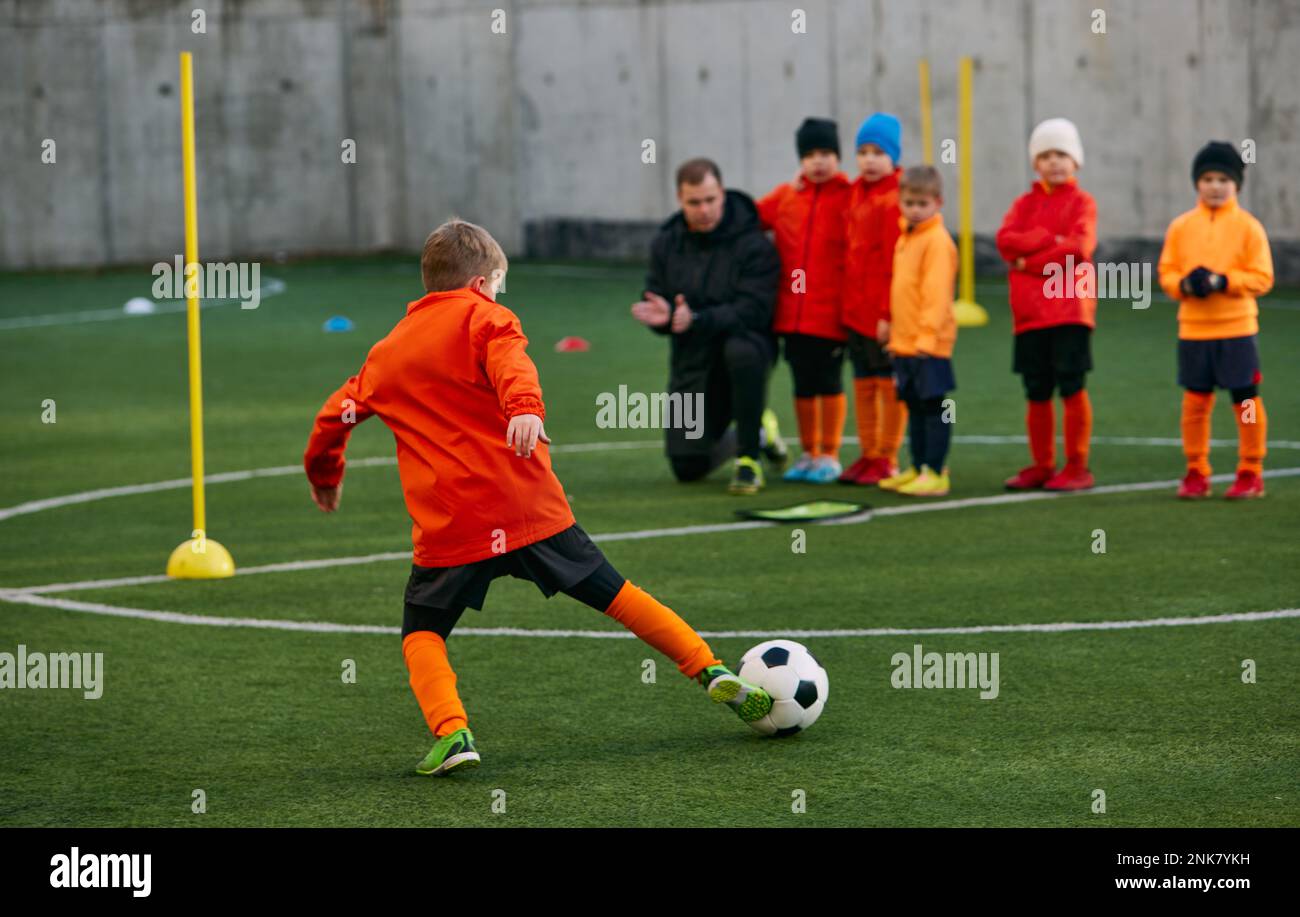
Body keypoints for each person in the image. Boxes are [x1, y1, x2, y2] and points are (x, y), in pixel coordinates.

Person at [304, 219, 774, 776]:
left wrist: (325, 473)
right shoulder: (487, 318)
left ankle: (452, 732)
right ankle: (709, 669)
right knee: (619, 596)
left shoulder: (386, 354)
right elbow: (512, 363)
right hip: (528, 509)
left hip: (452, 525)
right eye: (499, 285)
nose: (499, 296)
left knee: (423, 633)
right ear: (480, 284)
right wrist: (525, 407)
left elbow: (334, 417)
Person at [632, 158, 787, 495]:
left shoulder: (754, 243)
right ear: (680, 199)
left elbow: (756, 311)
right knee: (687, 466)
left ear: (723, 194)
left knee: (741, 350)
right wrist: (665, 318)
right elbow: (659, 298)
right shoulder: (666, 243)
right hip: (693, 360)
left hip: (746, 348)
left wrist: (698, 319)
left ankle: (748, 458)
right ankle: (761, 433)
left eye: (710, 200)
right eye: (694, 202)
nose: (703, 210)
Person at [1157, 141, 1274, 499]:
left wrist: (1224, 281)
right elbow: (1167, 273)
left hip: (1237, 328)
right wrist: (1184, 285)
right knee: (1195, 403)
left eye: (1223, 179)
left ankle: (1251, 470)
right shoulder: (1181, 227)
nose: (1215, 186)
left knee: (1246, 401)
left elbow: (1262, 278)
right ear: (1197, 182)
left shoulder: (1249, 227)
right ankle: (1196, 470)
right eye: (1207, 179)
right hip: (1194, 330)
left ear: (1236, 183)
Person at [995, 117, 1098, 492]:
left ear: (1075, 161)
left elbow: (1078, 249)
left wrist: (1029, 263)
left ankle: (1077, 466)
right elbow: (1005, 241)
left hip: (1069, 312)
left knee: (1071, 386)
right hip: (1030, 315)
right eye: (1045, 155)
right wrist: (1046, 238)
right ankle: (1042, 465)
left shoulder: (1083, 203)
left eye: (1061, 154)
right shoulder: (1023, 204)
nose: (1054, 162)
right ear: (1035, 163)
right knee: (1036, 390)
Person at [757, 117, 854, 483]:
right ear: (800, 159)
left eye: (826, 153)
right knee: (802, 385)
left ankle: (830, 453)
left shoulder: (850, 196)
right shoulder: (786, 196)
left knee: (829, 382)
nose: (818, 161)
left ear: (838, 157)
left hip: (831, 313)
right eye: (810, 154)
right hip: (792, 315)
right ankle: (809, 452)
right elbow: (750, 217)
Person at [878, 165, 959, 497]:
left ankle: (936, 471)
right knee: (913, 406)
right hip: (905, 342)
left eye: (922, 204)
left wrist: (926, 338)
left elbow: (935, 296)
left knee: (933, 408)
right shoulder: (906, 238)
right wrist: (895, 332)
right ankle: (917, 466)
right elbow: (903, 291)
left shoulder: (936, 242)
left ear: (938, 202)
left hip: (928, 345)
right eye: (909, 203)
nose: (914, 210)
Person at [839, 112, 908, 486]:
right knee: (863, 382)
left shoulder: (895, 200)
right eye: (863, 152)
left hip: (881, 314)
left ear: (893, 157)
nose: (869, 160)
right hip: (855, 311)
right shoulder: (855, 193)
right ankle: (868, 453)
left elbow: (893, 264)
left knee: (888, 383)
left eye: (878, 153)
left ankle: (887, 455)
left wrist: (887, 313)